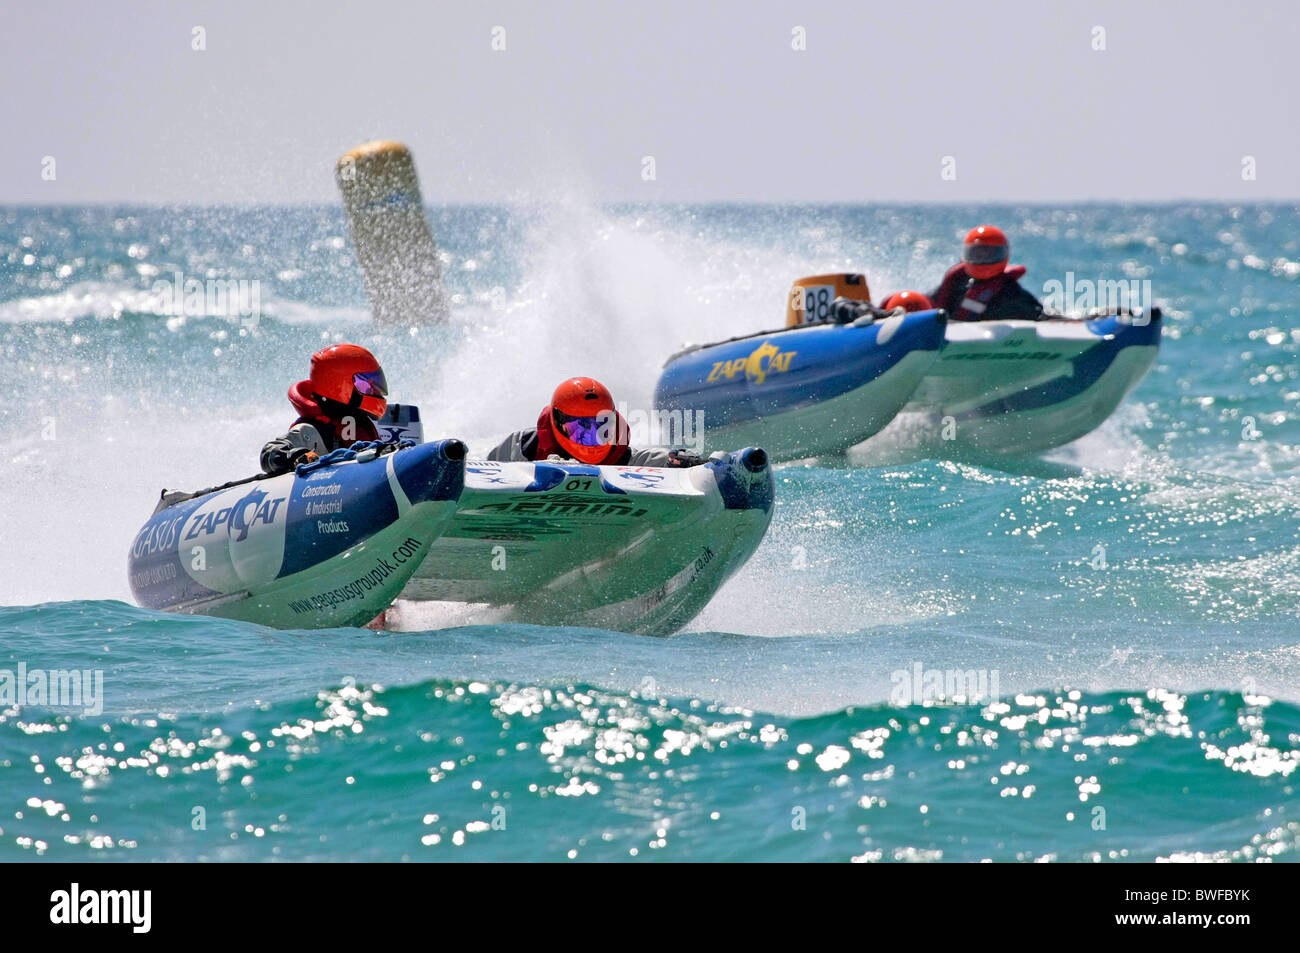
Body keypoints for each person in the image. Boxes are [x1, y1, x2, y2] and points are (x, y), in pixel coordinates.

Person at [486, 377, 705, 467]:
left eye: (601, 429)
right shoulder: (522, 448)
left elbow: (653, 461)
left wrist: (681, 461)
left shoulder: (621, 458)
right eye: (580, 429)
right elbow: (478, 477)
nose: (592, 439)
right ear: (558, 424)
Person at [260, 343, 390, 475]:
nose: (374, 390)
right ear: (340, 385)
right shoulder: (313, 430)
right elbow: (268, 453)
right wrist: (296, 456)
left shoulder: (362, 422)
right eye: (366, 385)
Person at [928, 225, 1043, 321]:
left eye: (989, 254)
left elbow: (1039, 314)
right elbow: (927, 303)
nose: (982, 260)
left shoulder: (1010, 290)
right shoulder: (956, 282)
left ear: (1003, 254)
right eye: (977, 254)